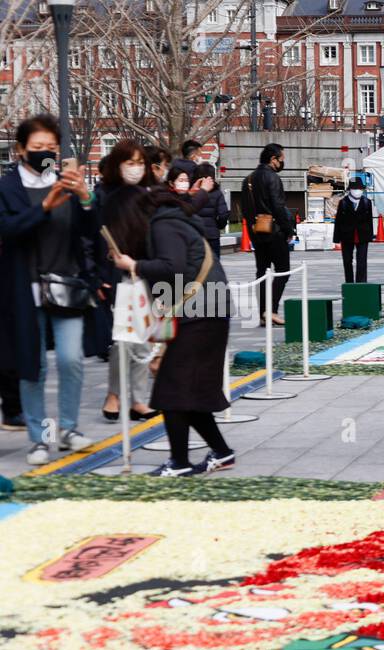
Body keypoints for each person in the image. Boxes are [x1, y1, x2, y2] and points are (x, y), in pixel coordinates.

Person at [106, 186, 234, 478]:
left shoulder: (164, 225)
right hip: (205, 311)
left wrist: (133, 264)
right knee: (191, 392)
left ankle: (179, 462)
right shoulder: (173, 220)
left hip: (201, 313)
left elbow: (170, 266)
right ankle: (222, 453)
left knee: (171, 391)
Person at [0, 114, 97, 465]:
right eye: (37, 148)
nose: (45, 154)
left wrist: (86, 198)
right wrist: (43, 206)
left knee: (71, 359)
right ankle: (39, 438)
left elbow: (90, 229)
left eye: (51, 148)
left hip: (67, 284)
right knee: (33, 366)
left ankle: (69, 429)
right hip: (24, 289)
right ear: (21, 149)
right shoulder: (7, 188)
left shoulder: (65, 182)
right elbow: (8, 229)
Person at [94, 138, 154, 423]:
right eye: (130, 163)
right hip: (116, 273)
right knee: (122, 339)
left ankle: (138, 399)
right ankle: (115, 395)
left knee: (142, 338)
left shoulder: (149, 194)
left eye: (140, 163)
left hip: (144, 270)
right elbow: (94, 238)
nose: (135, 169)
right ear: (118, 164)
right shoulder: (104, 195)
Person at [241, 143, 294, 326]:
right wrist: (288, 229)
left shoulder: (248, 179)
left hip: (256, 232)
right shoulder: (272, 178)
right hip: (275, 232)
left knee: (261, 272)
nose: (282, 163)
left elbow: (246, 210)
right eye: (281, 160)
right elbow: (278, 207)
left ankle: (263, 312)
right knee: (282, 271)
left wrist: (252, 231)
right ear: (273, 160)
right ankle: (271, 311)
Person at [333, 178, 373, 284]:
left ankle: (361, 283)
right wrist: (336, 238)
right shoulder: (343, 202)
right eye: (355, 188)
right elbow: (338, 221)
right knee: (347, 261)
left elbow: (369, 220)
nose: (357, 190)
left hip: (363, 234)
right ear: (350, 189)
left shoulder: (367, 202)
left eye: (359, 188)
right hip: (346, 235)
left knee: (362, 261)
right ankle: (349, 283)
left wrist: (370, 235)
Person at [188, 162, 229, 259]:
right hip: (212, 235)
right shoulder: (217, 193)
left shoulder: (192, 192)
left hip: (195, 234)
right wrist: (218, 226)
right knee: (213, 265)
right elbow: (223, 214)